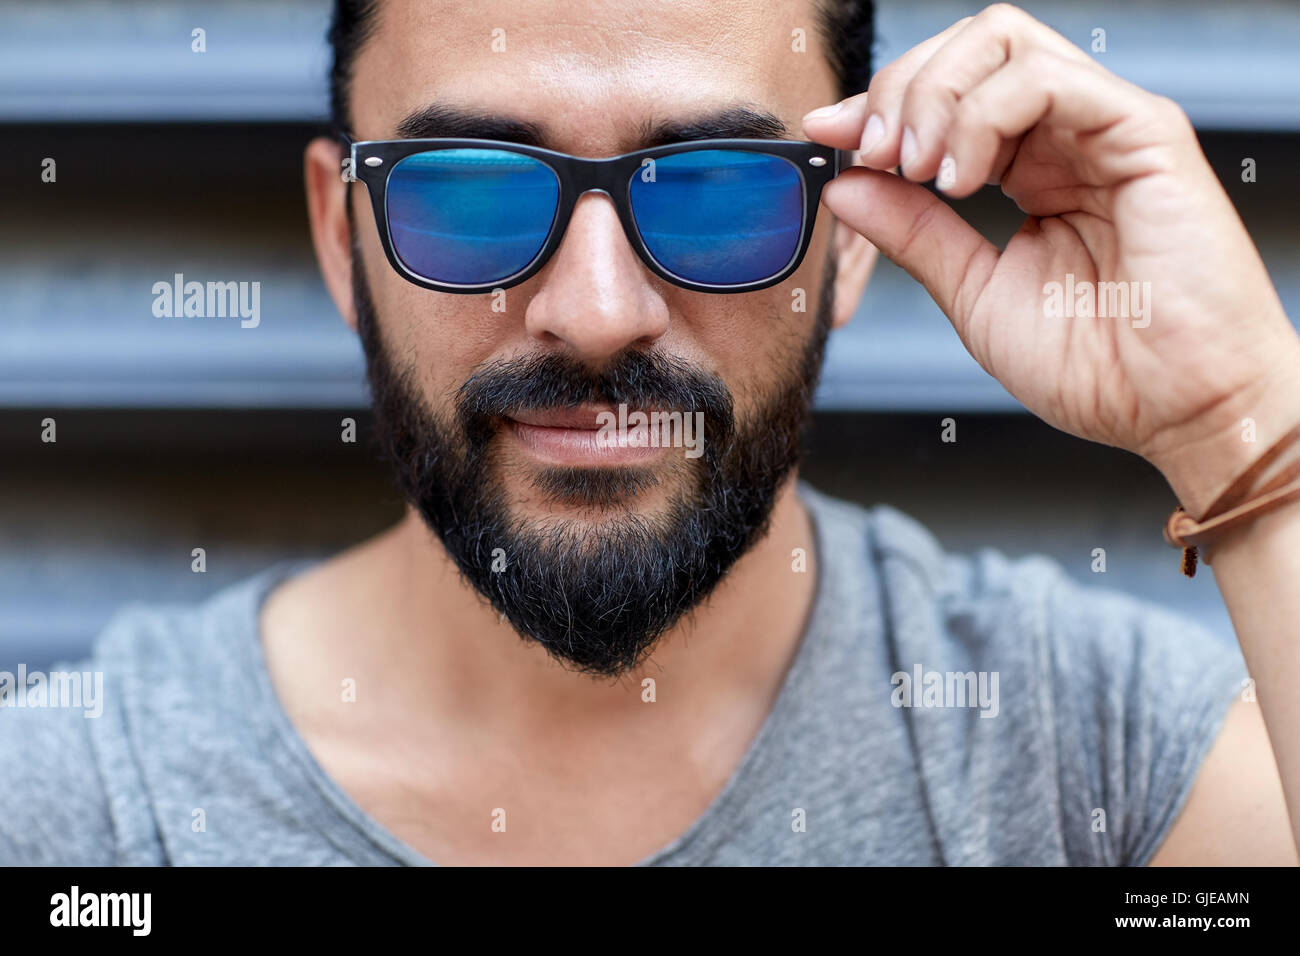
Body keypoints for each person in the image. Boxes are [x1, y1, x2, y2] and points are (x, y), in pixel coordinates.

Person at [2, 0, 1297, 866]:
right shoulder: (79, 809)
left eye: (719, 194)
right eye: (470, 193)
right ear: (346, 239)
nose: (597, 313)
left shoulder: (1102, 761)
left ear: (850, 244)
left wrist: (1237, 414)